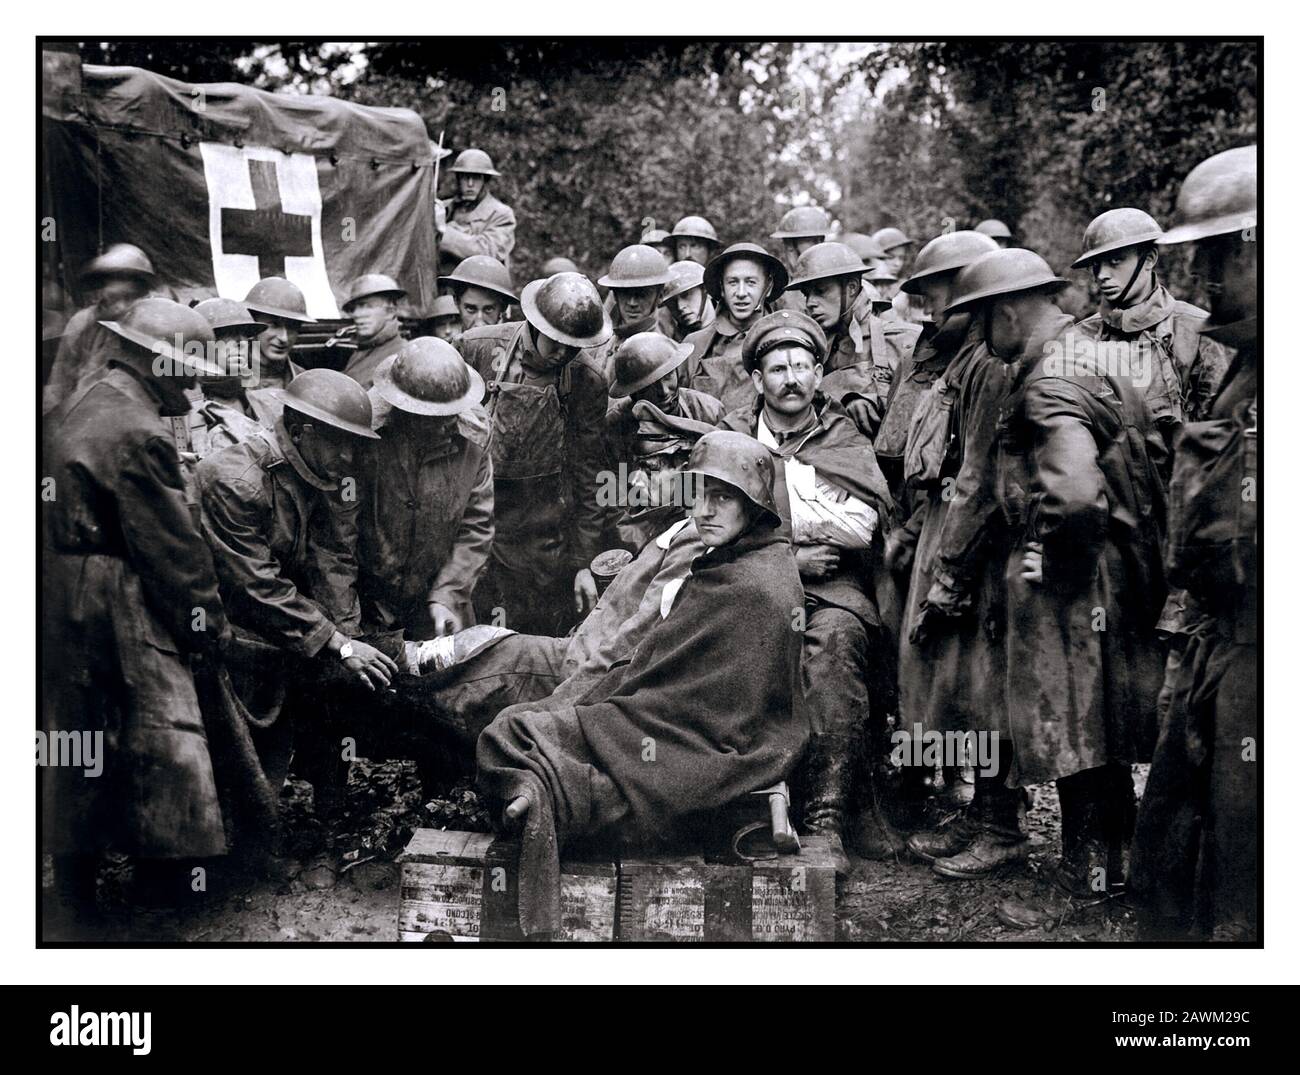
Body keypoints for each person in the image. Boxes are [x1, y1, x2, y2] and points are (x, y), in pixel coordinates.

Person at [477, 430, 805, 936]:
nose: (705, 511)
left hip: (710, 744)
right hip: (683, 728)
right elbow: (662, 667)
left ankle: (540, 797)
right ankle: (540, 791)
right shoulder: (739, 561)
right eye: (698, 495)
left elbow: (696, 695)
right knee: (535, 733)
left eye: (722, 497)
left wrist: (609, 708)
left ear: (755, 507)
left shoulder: (753, 583)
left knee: (523, 740)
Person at [930, 248, 1167, 889]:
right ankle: (1110, 872)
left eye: (983, 321)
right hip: (1117, 566)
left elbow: (1075, 494)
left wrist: (1050, 564)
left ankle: (1084, 881)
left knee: (1078, 726)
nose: (980, 337)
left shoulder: (1047, 382)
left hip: (1079, 576)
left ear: (1008, 313)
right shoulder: (1096, 351)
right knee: (1103, 726)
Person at [43, 298, 230, 925]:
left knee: (77, 741)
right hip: (115, 592)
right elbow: (174, 553)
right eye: (189, 368)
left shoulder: (83, 398)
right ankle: (168, 896)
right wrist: (206, 626)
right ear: (158, 363)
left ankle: (70, 900)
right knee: (166, 736)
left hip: (59, 589)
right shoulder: (140, 431)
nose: (196, 382)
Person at [1131, 145, 1257, 941]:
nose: (1202, 278)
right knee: (1179, 839)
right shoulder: (1249, 361)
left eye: (1217, 254)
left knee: (1249, 842)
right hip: (1219, 637)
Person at [718, 310, 898, 868]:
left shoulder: (841, 437)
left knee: (834, 649)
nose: (791, 378)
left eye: (802, 366)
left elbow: (863, 525)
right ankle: (738, 808)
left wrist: (785, 512)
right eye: (777, 368)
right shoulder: (731, 437)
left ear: (819, 373)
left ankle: (828, 818)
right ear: (757, 379)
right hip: (748, 583)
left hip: (834, 589)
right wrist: (797, 543)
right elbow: (711, 519)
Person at [872, 231, 1019, 854]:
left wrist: (952, 571)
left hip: (973, 544)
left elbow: (980, 475)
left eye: (937, 297)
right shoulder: (953, 359)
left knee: (983, 684)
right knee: (949, 680)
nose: (928, 310)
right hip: (940, 527)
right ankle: (976, 810)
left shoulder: (988, 365)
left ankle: (1000, 823)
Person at [197, 369, 400, 804]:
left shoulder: (318, 473)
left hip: (277, 625)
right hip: (223, 630)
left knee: (330, 692)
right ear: (302, 432)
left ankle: (323, 811)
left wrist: (350, 643)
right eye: (339, 441)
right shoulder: (237, 480)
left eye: (354, 443)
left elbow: (332, 559)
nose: (349, 455)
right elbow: (256, 585)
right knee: (237, 757)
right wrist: (340, 645)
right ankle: (241, 848)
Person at [459, 271, 614, 635]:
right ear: (532, 322)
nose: (562, 354)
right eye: (555, 342)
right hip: (471, 517)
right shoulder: (476, 349)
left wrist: (582, 564)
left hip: (540, 533)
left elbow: (589, 476)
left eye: (573, 347)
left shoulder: (587, 381)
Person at [358, 337, 493, 639]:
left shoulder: (473, 437)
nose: (446, 426)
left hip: (437, 601)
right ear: (404, 408)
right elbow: (338, 536)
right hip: (366, 602)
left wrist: (447, 595)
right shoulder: (364, 431)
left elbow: (476, 527)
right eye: (433, 418)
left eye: (451, 415)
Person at [1070, 207, 1230, 451]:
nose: (1102, 275)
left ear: (1150, 259)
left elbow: (1221, 432)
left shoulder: (1198, 330)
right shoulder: (1081, 337)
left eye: (1115, 261)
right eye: (1096, 264)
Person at [783, 241, 921, 442]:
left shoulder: (902, 340)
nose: (810, 302)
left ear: (851, 288)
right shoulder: (814, 351)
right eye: (807, 294)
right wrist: (843, 396)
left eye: (821, 291)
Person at [604, 331, 725, 546]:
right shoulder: (616, 427)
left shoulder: (708, 411)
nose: (663, 391)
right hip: (643, 530)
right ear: (632, 392)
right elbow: (613, 498)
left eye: (668, 376)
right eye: (649, 384)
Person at [43, 242, 156, 415]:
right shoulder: (83, 322)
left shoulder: (152, 321)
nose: (116, 286)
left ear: (140, 288)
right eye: (111, 278)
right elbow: (60, 380)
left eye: (127, 279)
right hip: (85, 411)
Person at [679, 241, 788, 412]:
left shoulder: (787, 341)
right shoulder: (695, 345)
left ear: (768, 287)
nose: (741, 293)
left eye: (751, 282)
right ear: (722, 287)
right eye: (733, 282)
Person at [594, 244, 674, 379]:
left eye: (641, 294)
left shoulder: (664, 353)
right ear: (615, 295)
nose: (632, 303)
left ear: (659, 296)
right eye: (625, 293)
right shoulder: (602, 342)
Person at [437, 148, 517, 274]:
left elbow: (487, 252)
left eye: (476, 178)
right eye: (465, 178)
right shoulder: (444, 208)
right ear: (458, 179)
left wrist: (443, 231)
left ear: (485, 180)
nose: (470, 184)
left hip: (479, 287)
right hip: (442, 286)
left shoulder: (501, 214)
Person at [243, 276, 315, 392]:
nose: (284, 338)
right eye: (274, 325)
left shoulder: (305, 384)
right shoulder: (227, 380)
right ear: (252, 325)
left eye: (292, 327)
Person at [341, 274, 408, 389]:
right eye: (354, 308)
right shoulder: (362, 349)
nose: (356, 314)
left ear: (390, 312)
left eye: (366, 306)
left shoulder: (402, 357)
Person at [771, 207, 832, 311]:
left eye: (819, 239)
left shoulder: (835, 278)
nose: (791, 249)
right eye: (787, 243)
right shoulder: (778, 287)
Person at [440, 255, 518, 334]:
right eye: (470, 309)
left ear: (503, 307)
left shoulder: (515, 345)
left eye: (488, 310)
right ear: (457, 302)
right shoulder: (444, 345)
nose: (479, 324)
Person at [656, 259, 715, 342]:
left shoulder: (733, 331)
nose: (680, 307)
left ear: (706, 290)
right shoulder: (671, 342)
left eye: (685, 295)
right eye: (672, 302)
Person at [871, 227, 915, 299]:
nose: (897, 264)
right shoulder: (863, 287)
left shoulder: (906, 289)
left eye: (901, 258)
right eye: (890, 257)